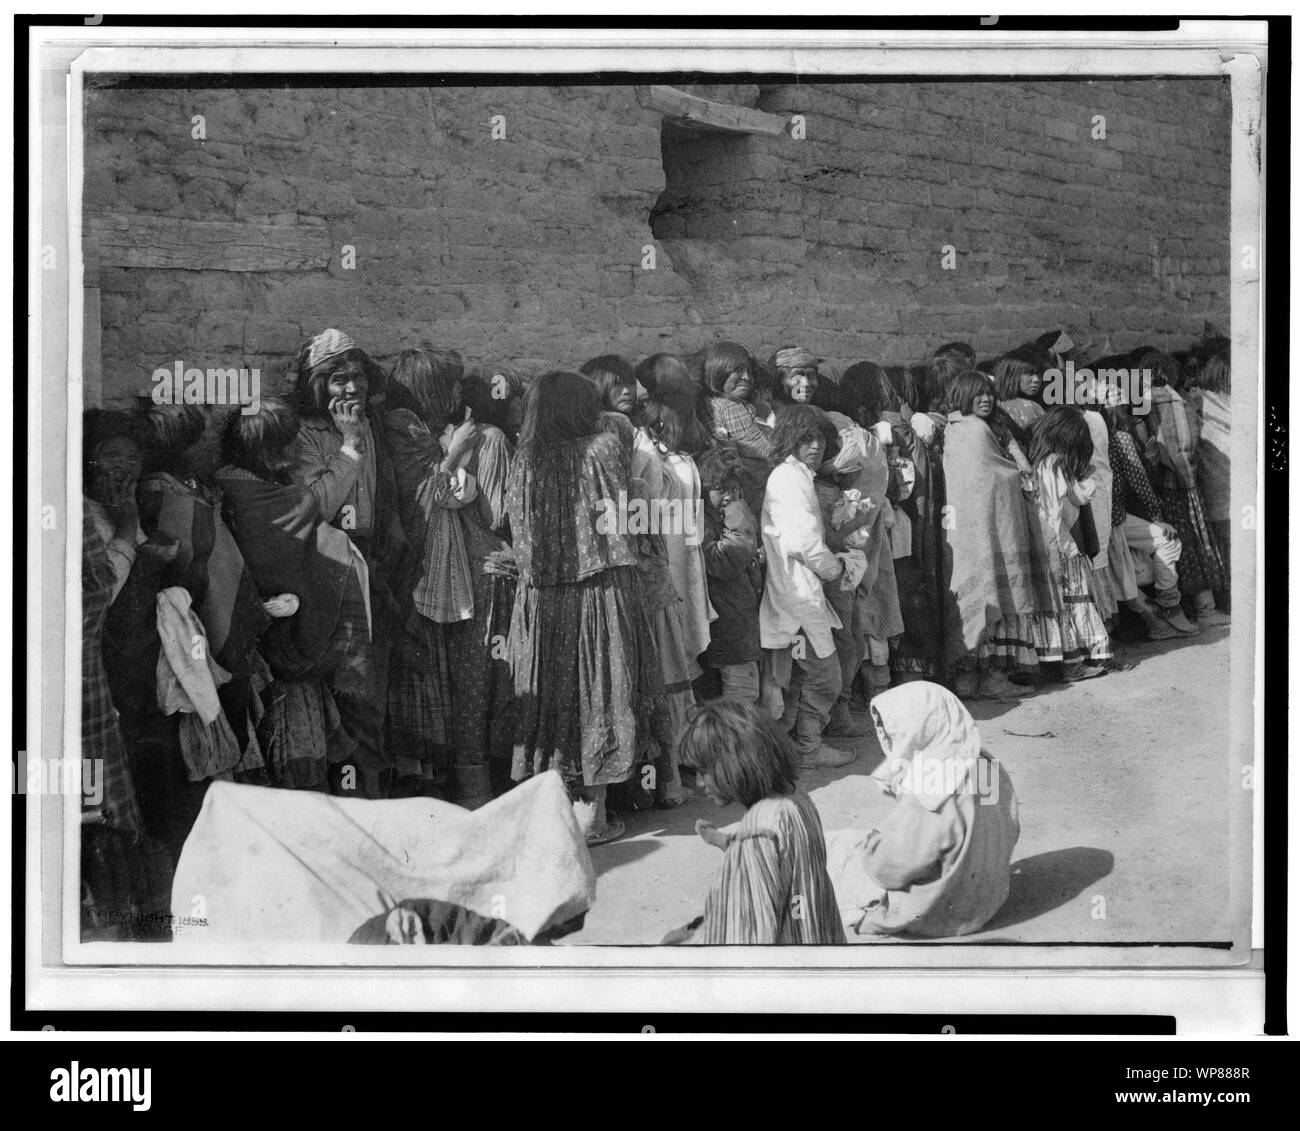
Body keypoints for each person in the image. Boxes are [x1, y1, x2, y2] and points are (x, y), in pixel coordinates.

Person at [506, 372, 666, 845]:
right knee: (603, 689)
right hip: (602, 587)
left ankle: (557, 808)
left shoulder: (525, 458)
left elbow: (516, 527)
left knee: (555, 697)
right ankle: (594, 812)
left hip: (546, 594)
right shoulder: (602, 447)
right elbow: (623, 517)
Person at [216, 398, 375, 794]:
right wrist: (350, 445)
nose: (296, 450)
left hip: (277, 631)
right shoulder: (250, 494)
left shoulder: (248, 482)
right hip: (276, 642)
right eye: (286, 444)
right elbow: (318, 503)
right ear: (264, 452)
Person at [282, 329, 407, 795]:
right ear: (317, 385)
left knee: (373, 689)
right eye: (337, 379)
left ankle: (371, 793)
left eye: (356, 377)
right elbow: (318, 505)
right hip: (330, 568)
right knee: (347, 687)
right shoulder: (305, 434)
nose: (351, 388)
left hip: (372, 560)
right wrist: (349, 444)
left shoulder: (368, 422)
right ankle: (352, 797)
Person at [825, 682, 1019, 937]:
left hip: (940, 910)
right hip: (987, 896)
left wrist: (874, 848)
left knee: (832, 849)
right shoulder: (983, 762)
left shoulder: (931, 788)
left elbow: (889, 871)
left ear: (917, 727)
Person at [383, 347, 483, 801]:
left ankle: (440, 786)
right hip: (416, 568)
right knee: (418, 676)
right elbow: (423, 498)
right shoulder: (402, 427)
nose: (458, 393)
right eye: (451, 385)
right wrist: (456, 451)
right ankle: (420, 790)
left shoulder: (423, 428)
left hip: (438, 564)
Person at [662, 698, 845, 945]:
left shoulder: (756, 836)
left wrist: (689, 940)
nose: (699, 783)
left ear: (738, 764)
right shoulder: (795, 800)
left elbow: (750, 935)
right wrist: (728, 842)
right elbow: (782, 857)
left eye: (704, 771)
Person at [940, 373, 1053, 699]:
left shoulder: (957, 428)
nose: (986, 399)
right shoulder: (974, 431)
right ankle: (990, 677)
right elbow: (995, 476)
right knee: (995, 601)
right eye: (978, 394)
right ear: (963, 395)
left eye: (989, 393)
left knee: (976, 599)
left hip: (968, 532)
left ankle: (971, 679)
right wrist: (1016, 470)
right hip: (984, 528)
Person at [759, 404, 858, 769]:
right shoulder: (791, 479)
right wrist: (835, 570)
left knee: (802, 674)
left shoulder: (793, 475)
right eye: (806, 439)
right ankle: (807, 746)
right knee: (824, 674)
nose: (815, 446)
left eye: (819, 438)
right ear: (790, 440)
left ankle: (799, 746)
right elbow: (805, 542)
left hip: (795, 588)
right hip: (797, 591)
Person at [1024, 407, 1113, 680]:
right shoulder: (1055, 465)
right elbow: (1067, 504)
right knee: (1073, 600)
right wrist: (1086, 474)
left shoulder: (1040, 463)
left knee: (1062, 604)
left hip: (1052, 544)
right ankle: (1073, 664)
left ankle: (1065, 662)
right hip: (1061, 546)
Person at [1141, 350, 1229, 627]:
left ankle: (1195, 609)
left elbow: (1155, 446)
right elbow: (1181, 446)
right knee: (1195, 543)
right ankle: (1205, 609)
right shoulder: (1168, 397)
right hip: (1180, 484)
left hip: (1163, 485)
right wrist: (1190, 478)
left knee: (1180, 546)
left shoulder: (1144, 397)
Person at [696, 444, 764, 703]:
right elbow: (721, 562)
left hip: (738, 621)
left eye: (733, 489)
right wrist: (740, 524)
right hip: (728, 624)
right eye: (720, 489)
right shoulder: (702, 518)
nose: (728, 496)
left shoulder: (723, 514)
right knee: (741, 697)